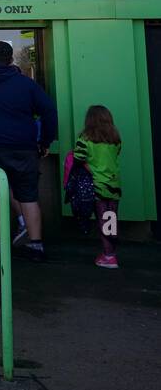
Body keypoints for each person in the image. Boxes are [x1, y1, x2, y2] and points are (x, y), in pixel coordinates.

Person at [0, 41, 57, 262]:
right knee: (28, 197)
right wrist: (45, 141)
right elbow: (49, 112)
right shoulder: (26, 84)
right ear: (11, 59)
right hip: (22, 147)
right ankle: (36, 246)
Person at [73, 105, 123, 269]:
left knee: (102, 219)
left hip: (97, 184)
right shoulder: (115, 138)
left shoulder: (85, 139)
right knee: (111, 218)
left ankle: (109, 256)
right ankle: (111, 253)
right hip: (113, 184)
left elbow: (78, 158)